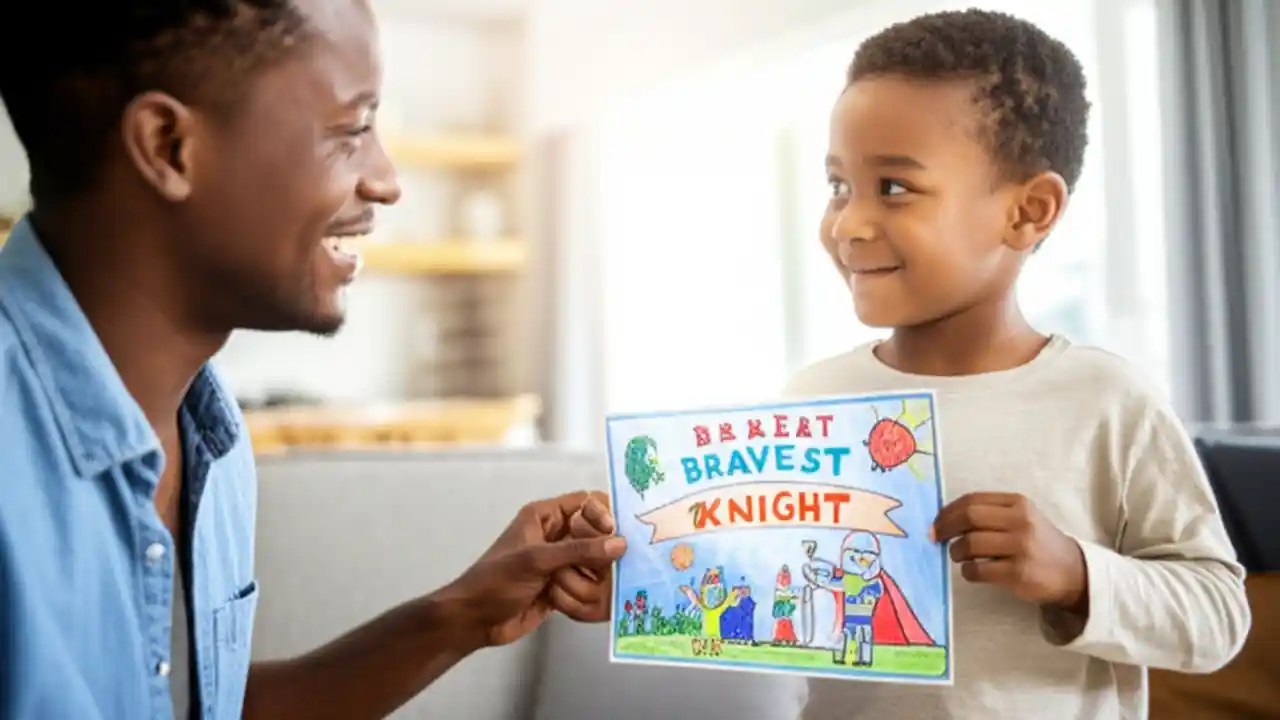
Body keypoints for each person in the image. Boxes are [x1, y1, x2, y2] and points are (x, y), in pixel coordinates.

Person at [0, 1, 624, 718]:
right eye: (352, 130)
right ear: (169, 146)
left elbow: (200, 708)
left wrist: (462, 613)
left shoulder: (212, 439)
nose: (386, 180)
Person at [782, 9, 1250, 719]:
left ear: (1029, 211)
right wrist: (640, 585)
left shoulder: (1106, 400)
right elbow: (777, 592)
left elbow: (1218, 618)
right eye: (839, 185)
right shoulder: (812, 397)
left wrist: (1076, 574)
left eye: (895, 188)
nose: (848, 223)